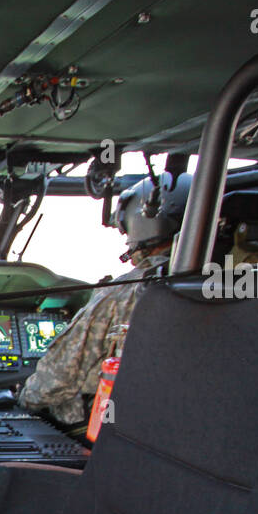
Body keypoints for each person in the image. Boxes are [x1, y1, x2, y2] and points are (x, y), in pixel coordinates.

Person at [17, 171, 192, 428]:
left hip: (109, 430)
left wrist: (18, 400)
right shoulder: (231, 286)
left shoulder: (126, 292)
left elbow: (57, 379)